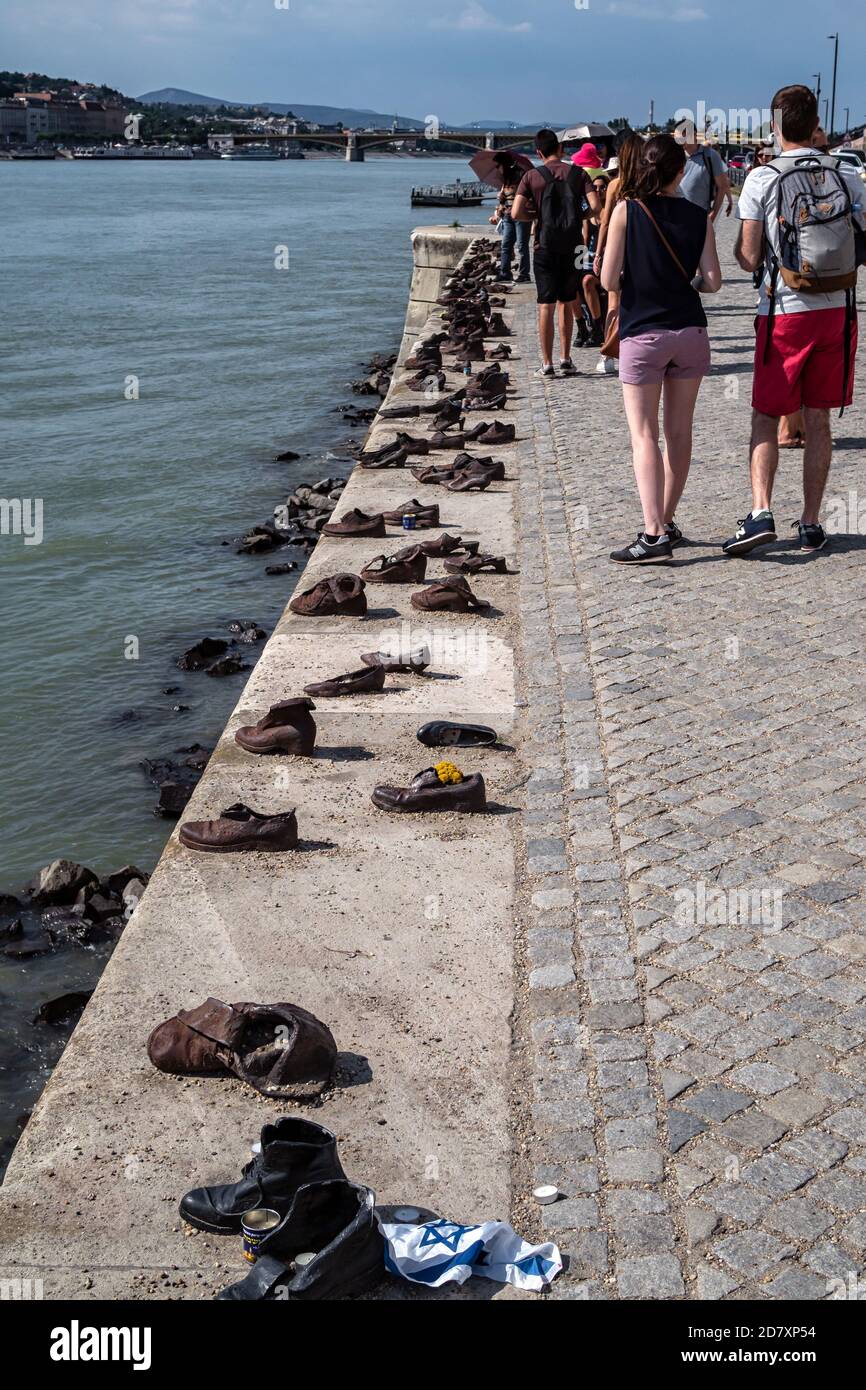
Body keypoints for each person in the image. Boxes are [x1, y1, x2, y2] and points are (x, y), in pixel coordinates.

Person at [725, 84, 866, 555]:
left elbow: (747, 258)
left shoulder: (763, 179)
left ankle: (761, 512)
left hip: (784, 312)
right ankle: (810, 522)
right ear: (815, 124)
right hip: (838, 312)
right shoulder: (848, 177)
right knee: (819, 418)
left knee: (766, 415)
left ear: (777, 126)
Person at [601, 133, 722, 563]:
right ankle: (667, 521)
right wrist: (683, 282)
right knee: (679, 432)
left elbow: (608, 279)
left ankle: (653, 535)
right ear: (682, 170)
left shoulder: (625, 211)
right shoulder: (698, 216)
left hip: (643, 333)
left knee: (644, 435)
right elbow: (712, 281)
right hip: (690, 331)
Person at [511, 129, 601, 378]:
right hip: (573, 245)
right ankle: (565, 359)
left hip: (544, 246)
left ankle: (547, 363)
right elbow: (596, 207)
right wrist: (576, 218)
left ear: (538, 152)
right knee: (566, 300)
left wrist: (537, 216)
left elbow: (515, 213)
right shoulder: (578, 173)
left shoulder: (531, 176)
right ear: (561, 149)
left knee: (545, 305)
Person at [592, 132, 646, 373]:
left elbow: (604, 222)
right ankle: (638, 349)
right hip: (643, 248)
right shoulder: (648, 182)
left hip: (619, 246)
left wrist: (598, 252)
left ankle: (609, 353)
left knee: (613, 300)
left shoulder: (616, 184)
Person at [489, 154, 530, 283]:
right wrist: (500, 205)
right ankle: (505, 272)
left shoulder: (521, 176)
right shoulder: (505, 180)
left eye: (498, 165)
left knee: (522, 246)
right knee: (506, 245)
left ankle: (524, 274)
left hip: (521, 216)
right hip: (507, 216)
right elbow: (504, 200)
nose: (497, 168)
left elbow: (527, 196)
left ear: (504, 164)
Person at [679, 130, 731, 221]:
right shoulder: (675, 155)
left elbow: (723, 184)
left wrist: (713, 215)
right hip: (677, 216)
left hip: (700, 217)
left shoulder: (711, 157)